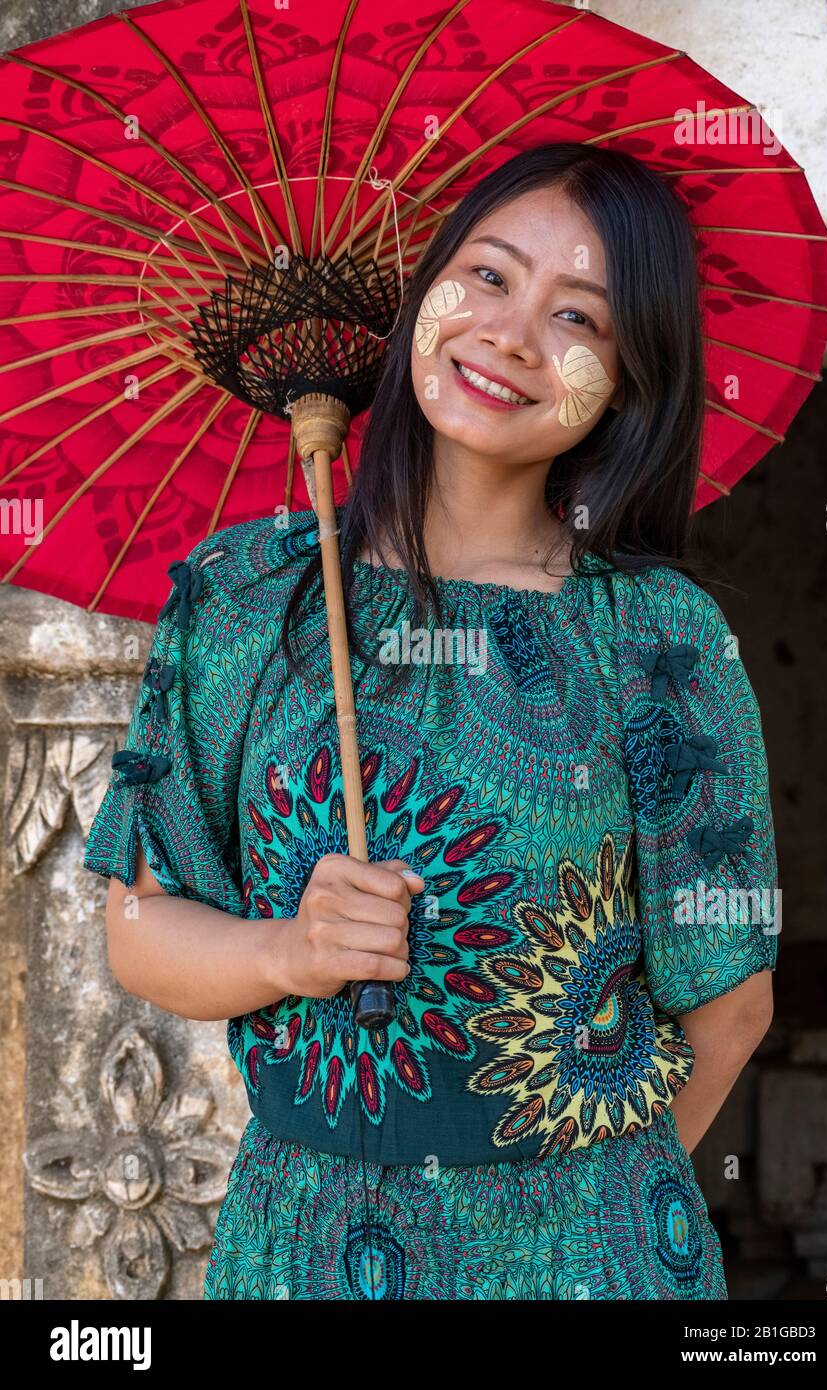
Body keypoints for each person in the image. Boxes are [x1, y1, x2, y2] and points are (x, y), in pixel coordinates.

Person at [83, 142, 779, 1301]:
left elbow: (730, 996)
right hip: (302, 1247)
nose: (509, 336)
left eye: (580, 319)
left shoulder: (657, 633)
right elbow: (140, 922)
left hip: (589, 1254)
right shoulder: (248, 597)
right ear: (422, 295)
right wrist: (285, 951)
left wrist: (581, 1198)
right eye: (490, 277)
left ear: (629, 377)